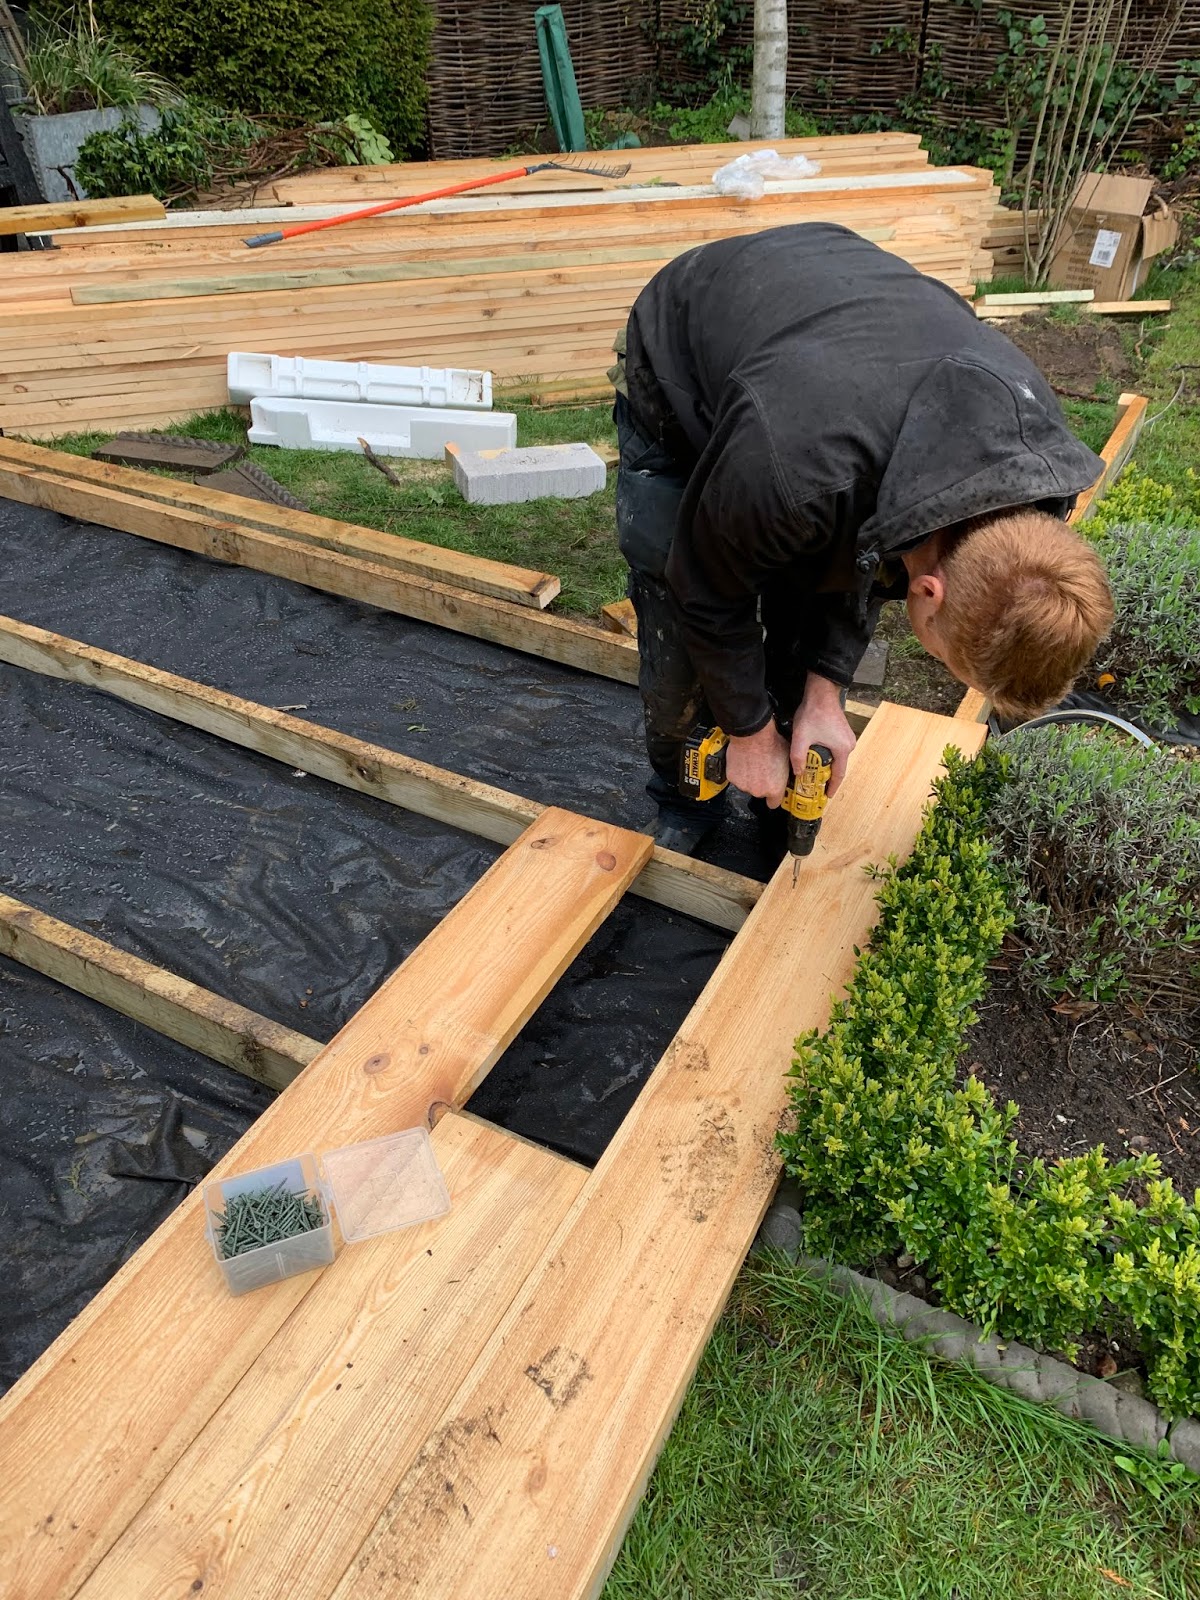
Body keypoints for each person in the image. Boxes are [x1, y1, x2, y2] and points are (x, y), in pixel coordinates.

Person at [611, 222, 1115, 854]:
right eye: (945, 651)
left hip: (834, 358)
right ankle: (684, 802)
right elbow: (706, 589)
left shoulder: (1025, 476)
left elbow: (884, 540)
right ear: (929, 591)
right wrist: (746, 731)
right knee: (675, 595)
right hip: (692, 334)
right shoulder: (791, 471)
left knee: (801, 590)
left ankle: (776, 780)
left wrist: (825, 688)